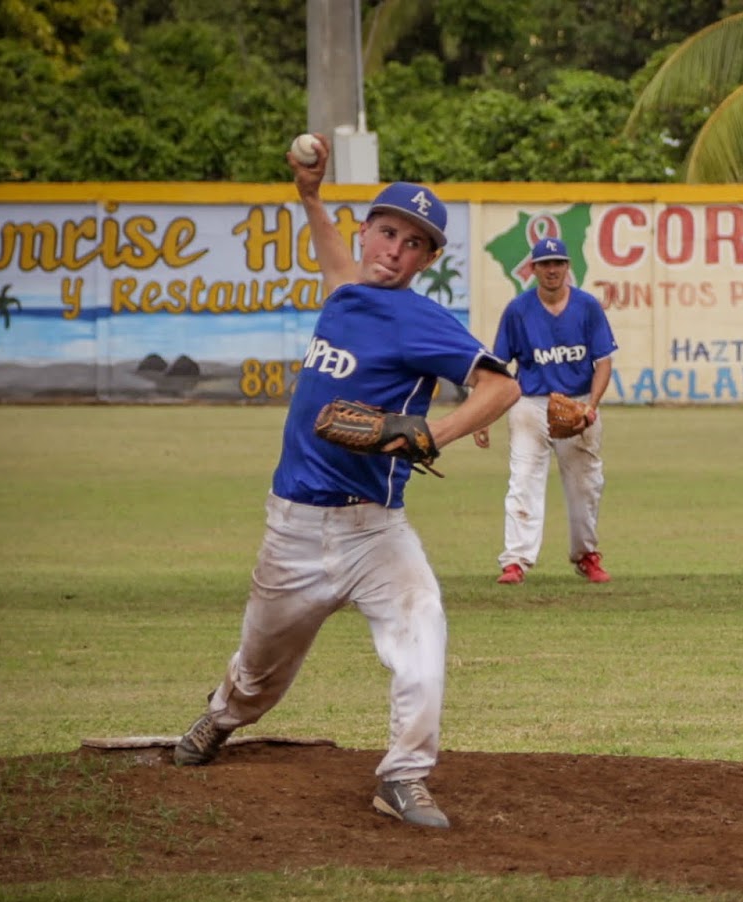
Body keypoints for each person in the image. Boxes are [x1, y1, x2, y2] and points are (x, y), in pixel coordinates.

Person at [172, 133, 521, 830]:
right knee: (258, 673)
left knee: (423, 627)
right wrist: (309, 197)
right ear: (368, 231)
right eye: (387, 231)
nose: (395, 249)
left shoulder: (423, 320)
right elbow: (339, 268)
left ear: (427, 259)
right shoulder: (348, 295)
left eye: (414, 243)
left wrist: (429, 434)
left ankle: (405, 777)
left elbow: (501, 386)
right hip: (293, 529)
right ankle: (220, 719)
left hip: (372, 531)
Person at [476, 236, 618, 586]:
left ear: (567, 266)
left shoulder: (586, 307)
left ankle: (586, 554)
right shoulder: (518, 310)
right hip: (531, 404)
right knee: (523, 478)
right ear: (533, 269)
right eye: (544, 264)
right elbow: (499, 366)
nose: (552, 269)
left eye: (558, 262)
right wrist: (482, 415)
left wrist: (591, 406)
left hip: (578, 401)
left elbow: (603, 362)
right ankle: (515, 561)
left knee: (585, 483)